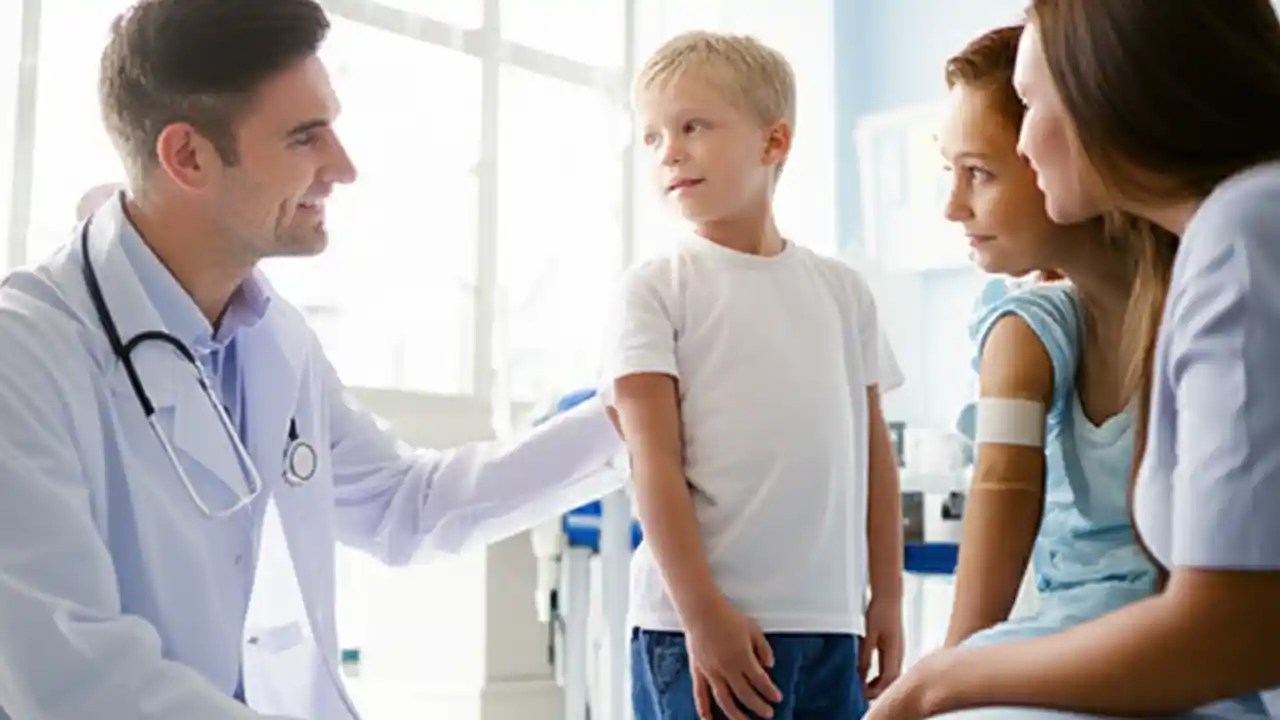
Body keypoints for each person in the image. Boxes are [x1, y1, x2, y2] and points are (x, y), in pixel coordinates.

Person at [0, 2, 623, 718]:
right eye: (305, 137)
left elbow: (402, 507)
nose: (344, 168)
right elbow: (71, 682)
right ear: (188, 157)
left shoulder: (272, 336)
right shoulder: (28, 355)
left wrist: (627, 420)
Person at [866, 1, 1280, 717]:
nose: (1024, 144)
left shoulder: (1244, 234)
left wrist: (944, 680)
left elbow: (1237, 624)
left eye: (1028, 105)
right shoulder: (1229, 239)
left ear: (1108, 89)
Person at [603, 30, 905, 720]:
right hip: (697, 628)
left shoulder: (842, 291)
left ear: (773, 143)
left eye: (692, 127)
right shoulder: (653, 289)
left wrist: (885, 593)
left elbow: (872, 457)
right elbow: (653, 464)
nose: (668, 151)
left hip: (829, 624)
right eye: (650, 137)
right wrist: (703, 614)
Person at [936, 25, 1163, 654]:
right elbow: (1002, 480)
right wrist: (949, 673)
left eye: (978, 173)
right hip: (1067, 637)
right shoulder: (1025, 329)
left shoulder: (1208, 303)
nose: (952, 206)